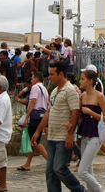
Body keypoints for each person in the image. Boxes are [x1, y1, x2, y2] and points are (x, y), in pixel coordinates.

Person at [32, 61, 85, 192]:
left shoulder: (70, 90)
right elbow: (48, 112)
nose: (49, 77)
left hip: (63, 137)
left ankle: (79, 189)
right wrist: (38, 131)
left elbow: (75, 112)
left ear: (60, 74)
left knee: (59, 168)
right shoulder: (55, 91)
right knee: (50, 171)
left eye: (51, 74)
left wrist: (69, 135)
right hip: (52, 136)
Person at [75, 69, 105, 192]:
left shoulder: (99, 96)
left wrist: (91, 112)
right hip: (85, 133)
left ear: (90, 81)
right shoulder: (82, 96)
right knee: (88, 168)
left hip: (96, 133)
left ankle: (100, 190)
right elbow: (79, 116)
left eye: (82, 79)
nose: (80, 81)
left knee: (82, 172)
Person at [16, 71, 49, 171]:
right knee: (33, 140)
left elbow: (32, 102)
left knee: (34, 140)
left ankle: (49, 160)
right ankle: (28, 163)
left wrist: (27, 117)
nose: (31, 80)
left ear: (37, 79)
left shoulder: (35, 88)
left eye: (33, 78)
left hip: (35, 116)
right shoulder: (44, 89)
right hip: (42, 115)